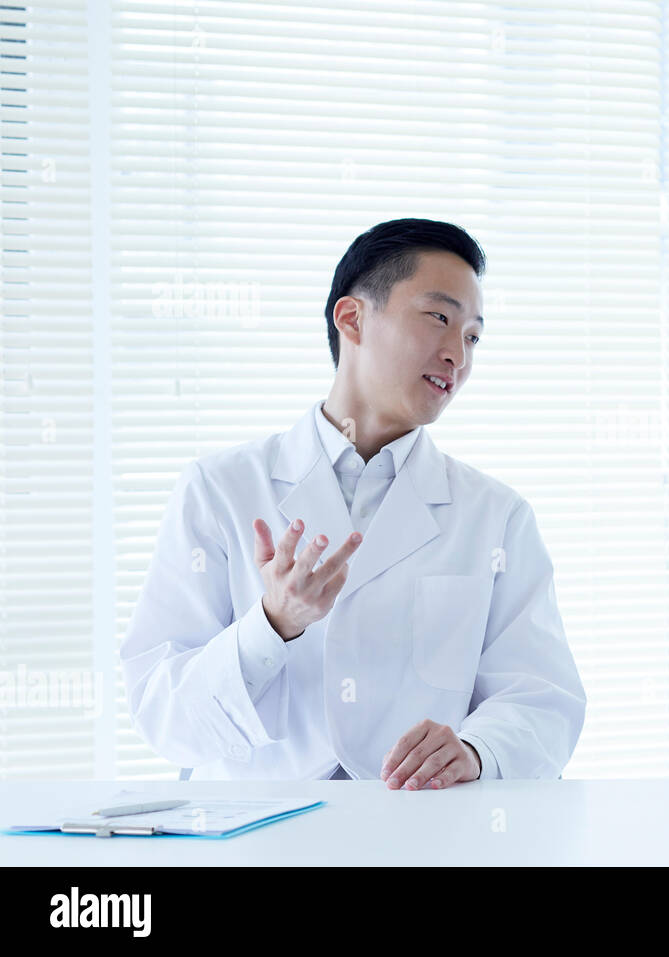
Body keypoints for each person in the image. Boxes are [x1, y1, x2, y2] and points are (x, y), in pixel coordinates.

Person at [121, 218, 585, 789]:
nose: (457, 356)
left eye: (472, 337)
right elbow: (163, 716)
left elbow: (543, 699)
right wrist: (272, 625)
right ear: (353, 318)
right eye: (439, 318)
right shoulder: (219, 490)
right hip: (256, 833)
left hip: (423, 832)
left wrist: (476, 750)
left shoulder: (497, 517)